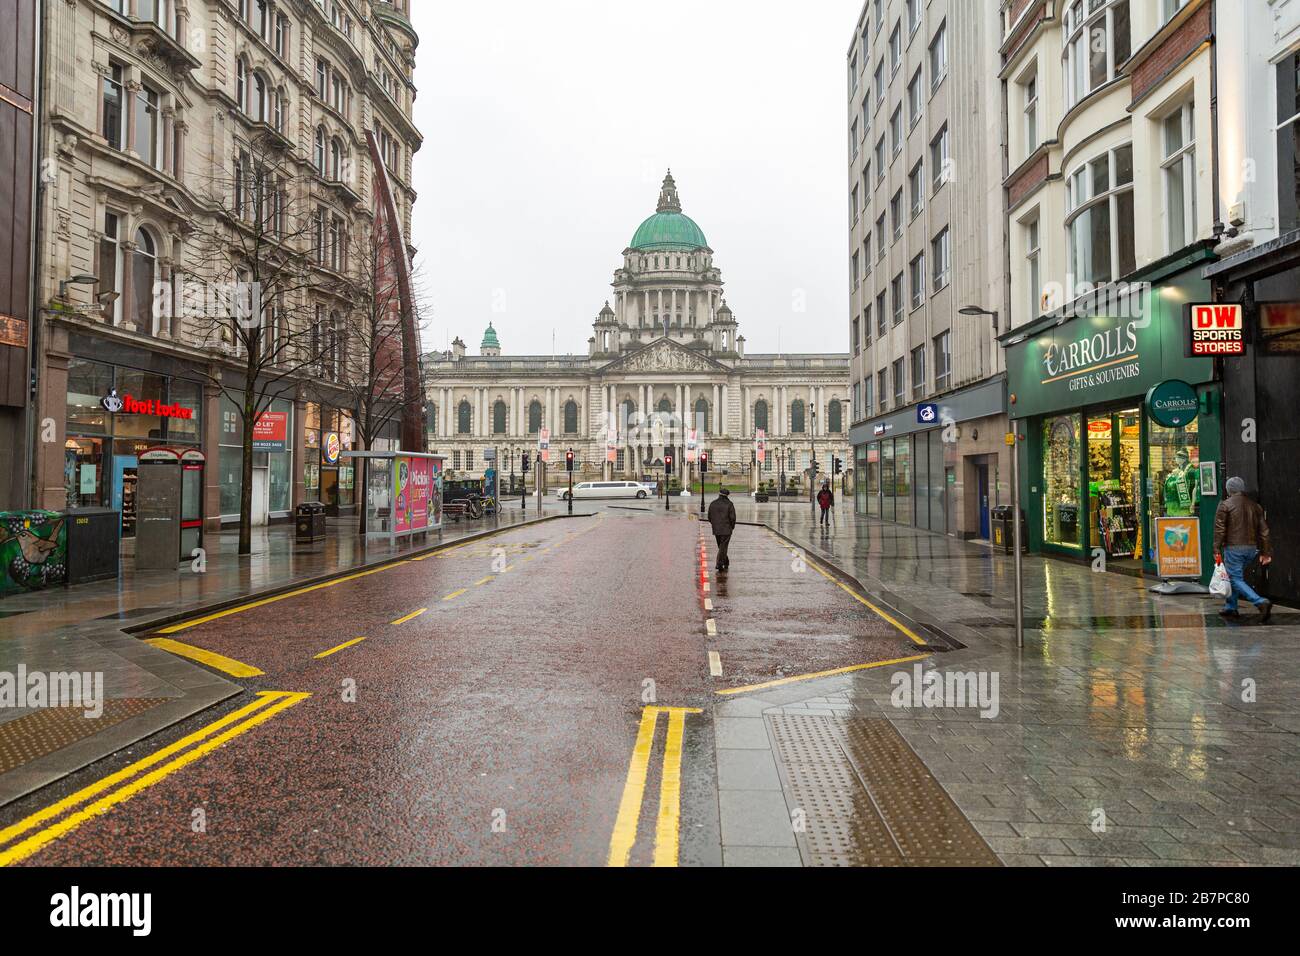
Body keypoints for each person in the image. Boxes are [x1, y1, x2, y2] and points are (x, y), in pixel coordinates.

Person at [1213, 476, 1272, 622]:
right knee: (1234, 576)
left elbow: (1219, 530)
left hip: (1234, 548)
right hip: (1252, 549)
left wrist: (1216, 549)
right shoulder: (1255, 506)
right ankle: (1231, 607)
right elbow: (1264, 531)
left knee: (1234, 577)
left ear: (1229, 490)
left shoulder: (1225, 505)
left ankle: (1260, 602)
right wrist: (1265, 552)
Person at [707, 487, 737, 572]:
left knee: (721, 546)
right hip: (726, 528)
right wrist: (732, 526)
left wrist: (714, 524)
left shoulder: (713, 503)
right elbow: (733, 518)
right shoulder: (729, 504)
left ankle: (726, 562)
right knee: (723, 547)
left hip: (716, 529)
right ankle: (719, 563)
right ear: (727, 495)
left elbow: (709, 517)